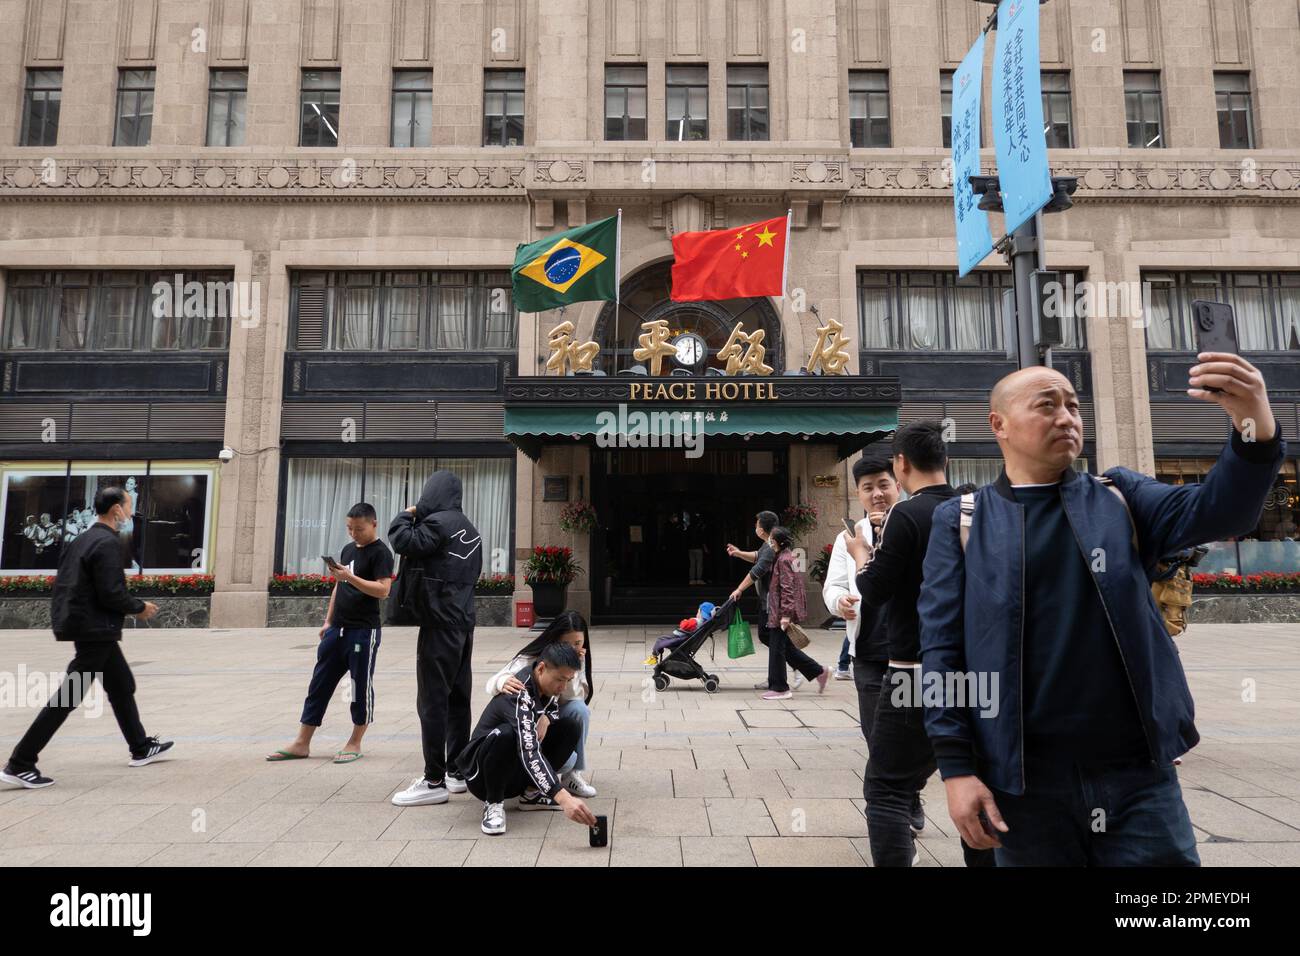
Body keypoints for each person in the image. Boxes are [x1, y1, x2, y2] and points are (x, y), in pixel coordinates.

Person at [919, 354, 1285, 867]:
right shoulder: (961, 521)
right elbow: (941, 650)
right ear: (997, 425)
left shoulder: (1121, 498)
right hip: (1024, 785)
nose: (1067, 417)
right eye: (1047, 405)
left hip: (1139, 778)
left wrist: (1253, 422)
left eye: (1073, 405)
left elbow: (1223, 510)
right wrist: (956, 770)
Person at [845, 421, 993, 868]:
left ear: (901, 465)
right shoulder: (978, 509)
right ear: (945, 460)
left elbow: (876, 588)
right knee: (982, 781)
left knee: (887, 788)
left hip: (915, 672)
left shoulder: (907, 515)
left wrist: (860, 556)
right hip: (980, 673)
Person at [1, 486, 168, 789]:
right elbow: (111, 592)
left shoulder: (84, 539)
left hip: (87, 626)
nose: (131, 511)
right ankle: (20, 762)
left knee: (121, 684)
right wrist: (139, 608)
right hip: (95, 629)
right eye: (129, 505)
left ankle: (141, 747)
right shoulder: (106, 543)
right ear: (116, 510)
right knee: (68, 697)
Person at [267, 503, 394, 764]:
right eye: (349, 528)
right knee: (319, 684)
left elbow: (383, 590)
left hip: (363, 631)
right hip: (337, 630)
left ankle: (355, 741)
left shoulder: (382, 553)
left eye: (358, 528)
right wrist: (328, 621)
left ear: (374, 524)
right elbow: (339, 587)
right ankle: (302, 742)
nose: (353, 533)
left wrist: (350, 577)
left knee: (357, 687)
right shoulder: (348, 550)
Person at [388, 471, 483, 807]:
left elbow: (401, 540)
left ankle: (432, 781)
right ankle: (457, 771)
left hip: (438, 625)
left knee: (431, 702)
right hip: (463, 625)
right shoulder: (470, 529)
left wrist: (408, 512)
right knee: (458, 699)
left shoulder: (436, 524)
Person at [459, 642, 599, 836]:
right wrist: (564, 798)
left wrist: (547, 718)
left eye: (568, 680)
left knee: (571, 727)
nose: (562, 687)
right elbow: (529, 750)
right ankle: (493, 803)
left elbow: (553, 711)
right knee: (507, 734)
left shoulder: (546, 687)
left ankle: (531, 794)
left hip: (515, 770)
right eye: (560, 679)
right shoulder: (518, 692)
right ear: (541, 668)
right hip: (481, 776)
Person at [823, 449, 900, 745]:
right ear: (858, 494)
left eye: (883, 484)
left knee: (911, 730)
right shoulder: (849, 538)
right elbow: (834, 585)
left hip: (911, 650)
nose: (877, 494)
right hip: (867, 650)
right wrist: (839, 602)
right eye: (868, 488)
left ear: (898, 486)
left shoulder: (915, 525)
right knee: (875, 732)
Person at [486, 610, 597, 798]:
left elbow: (573, 698)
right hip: (523, 724)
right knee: (560, 758)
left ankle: (571, 776)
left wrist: (572, 672)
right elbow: (492, 682)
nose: (572, 649)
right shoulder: (533, 658)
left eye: (577, 643)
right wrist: (502, 681)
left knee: (579, 710)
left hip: (550, 717)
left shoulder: (578, 658)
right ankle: (529, 784)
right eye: (566, 643)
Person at [728, 511, 803, 691]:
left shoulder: (774, 549)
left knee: (774, 640)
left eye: (756, 525)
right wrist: (738, 553)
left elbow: (758, 570)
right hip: (769, 601)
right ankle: (782, 676)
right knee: (768, 636)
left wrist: (739, 589)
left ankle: (791, 675)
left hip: (774, 603)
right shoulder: (769, 545)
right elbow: (757, 556)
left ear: (762, 528)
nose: (755, 527)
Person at [761, 527, 828, 701]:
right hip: (779, 611)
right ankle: (818, 671)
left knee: (777, 650)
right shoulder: (784, 556)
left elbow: (788, 588)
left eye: (771, 539)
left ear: (775, 542)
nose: (769, 541)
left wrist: (785, 615)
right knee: (784, 648)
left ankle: (780, 688)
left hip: (780, 613)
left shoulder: (784, 559)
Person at [643, 600, 716, 665]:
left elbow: (684, 625)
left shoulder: (695, 621)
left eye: (698, 611)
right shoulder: (703, 624)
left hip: (678, 638)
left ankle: (654, 656)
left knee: (660, 639)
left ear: (700, 612)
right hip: (685, 638)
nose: (697, 613)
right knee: (662, 639)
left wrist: (684, 621)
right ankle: (656, 655)